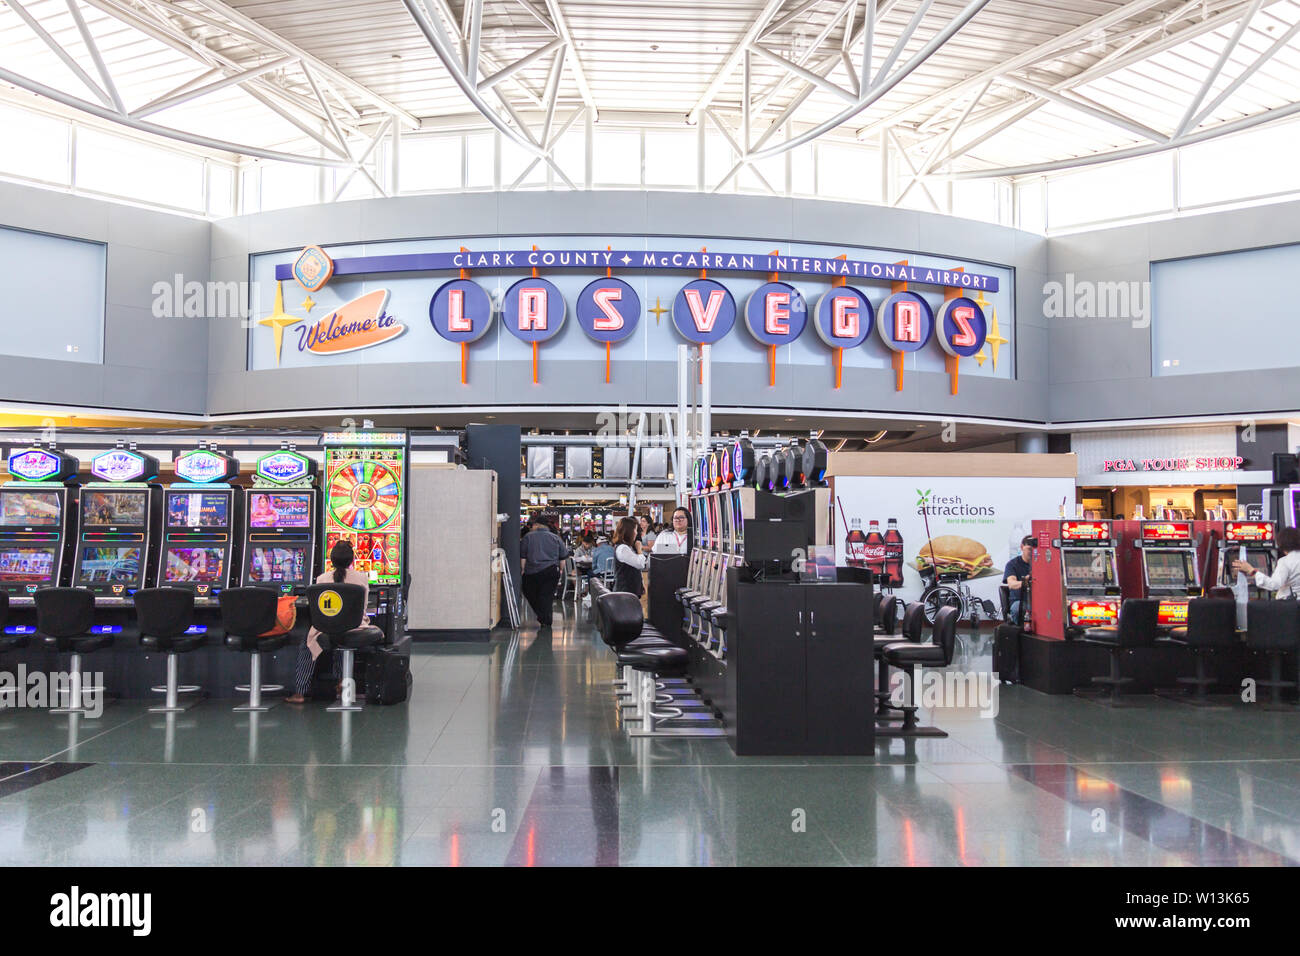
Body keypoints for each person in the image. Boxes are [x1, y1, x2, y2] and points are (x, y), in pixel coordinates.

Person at [286, 540, 368, 704]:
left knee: (308, 643)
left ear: (332, 560)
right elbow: (363, 606)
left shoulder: (322, 578)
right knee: (342, 639)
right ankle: (341, 682)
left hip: (327, 626)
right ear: (352, 560)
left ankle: (300, 692)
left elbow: (318, 608)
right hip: (354, 625)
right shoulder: (362, 578)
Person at [520, 513, 568, 628]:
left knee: (529, 592)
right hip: (551, 571)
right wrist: (560, 570)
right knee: (546, 596)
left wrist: (523, 569)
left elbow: (523, 557)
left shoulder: (528, 537)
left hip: (532, 572)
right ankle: (546, 619)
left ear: (537, 525)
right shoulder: (555, 537)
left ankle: (543, 618)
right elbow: (563, 557)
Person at [1234, 526, 1300, 598]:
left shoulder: (1285, 562)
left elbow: (1274, 585)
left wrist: (1251, 570)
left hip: (1290, 605)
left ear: (1281, 544)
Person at [1003, 535, 1034, 626]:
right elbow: (1012, 584)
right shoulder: (1012, 564)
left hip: (1038, 600)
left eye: (1033, 550)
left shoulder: (1041, 564)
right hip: (1020, 600)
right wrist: (1025, 581)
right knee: (1018, 608)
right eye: (1029, 549)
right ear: (1022, 547)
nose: (1031, 552)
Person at [613, 516, 648, 596]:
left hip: (630, 591)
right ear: (629, 531)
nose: (636, 533)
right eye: (635, 529)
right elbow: (640, 564)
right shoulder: (623, 548)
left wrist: (641, 585)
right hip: (625, 592)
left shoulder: (628, 547)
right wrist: (639, 550)